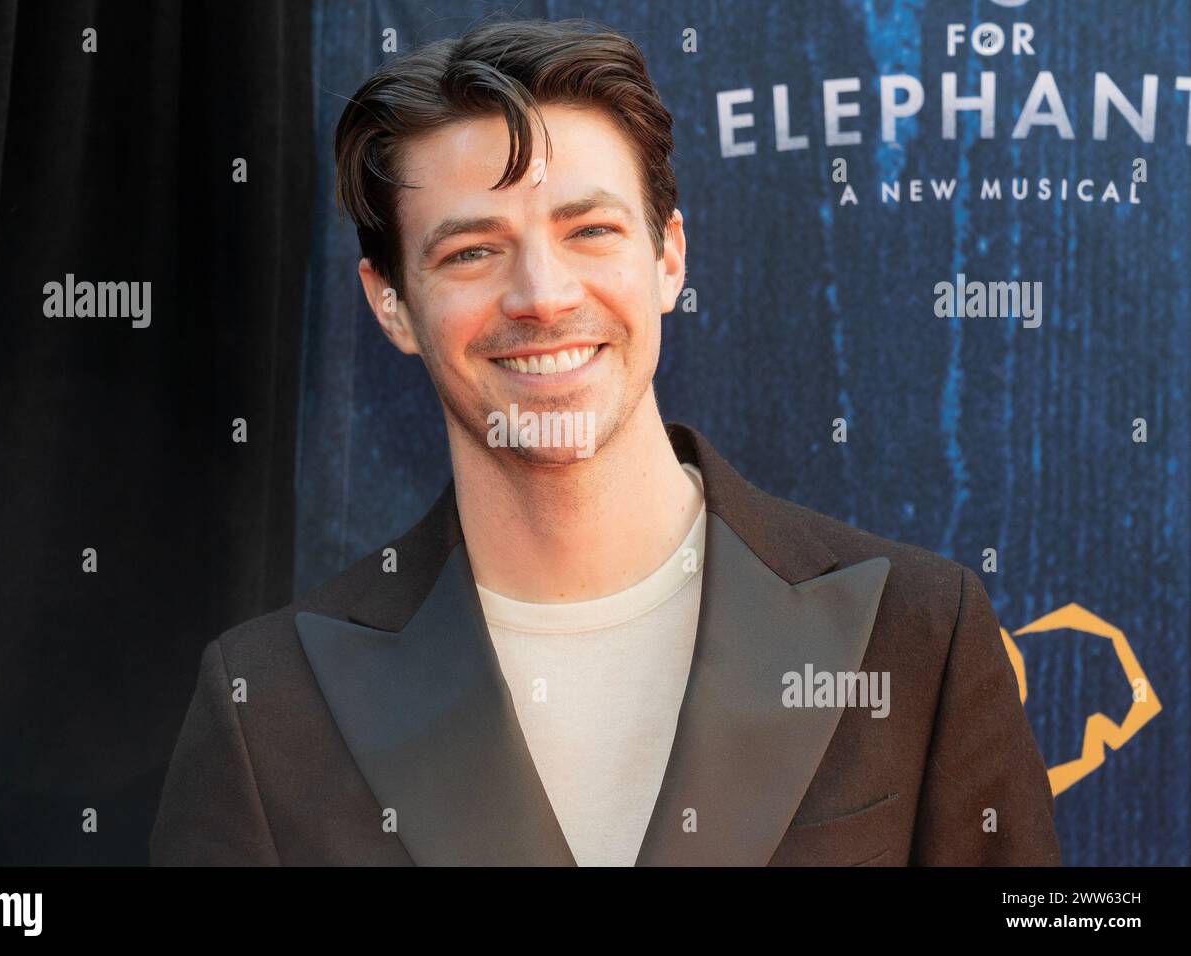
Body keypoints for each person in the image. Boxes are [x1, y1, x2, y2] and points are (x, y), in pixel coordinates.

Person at [150, 16, 1060, 866]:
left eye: (590, 231)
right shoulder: (265, 708)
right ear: (391, 304)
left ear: (668, 258)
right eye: (471, 250)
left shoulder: (917, 636)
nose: (542, 295)